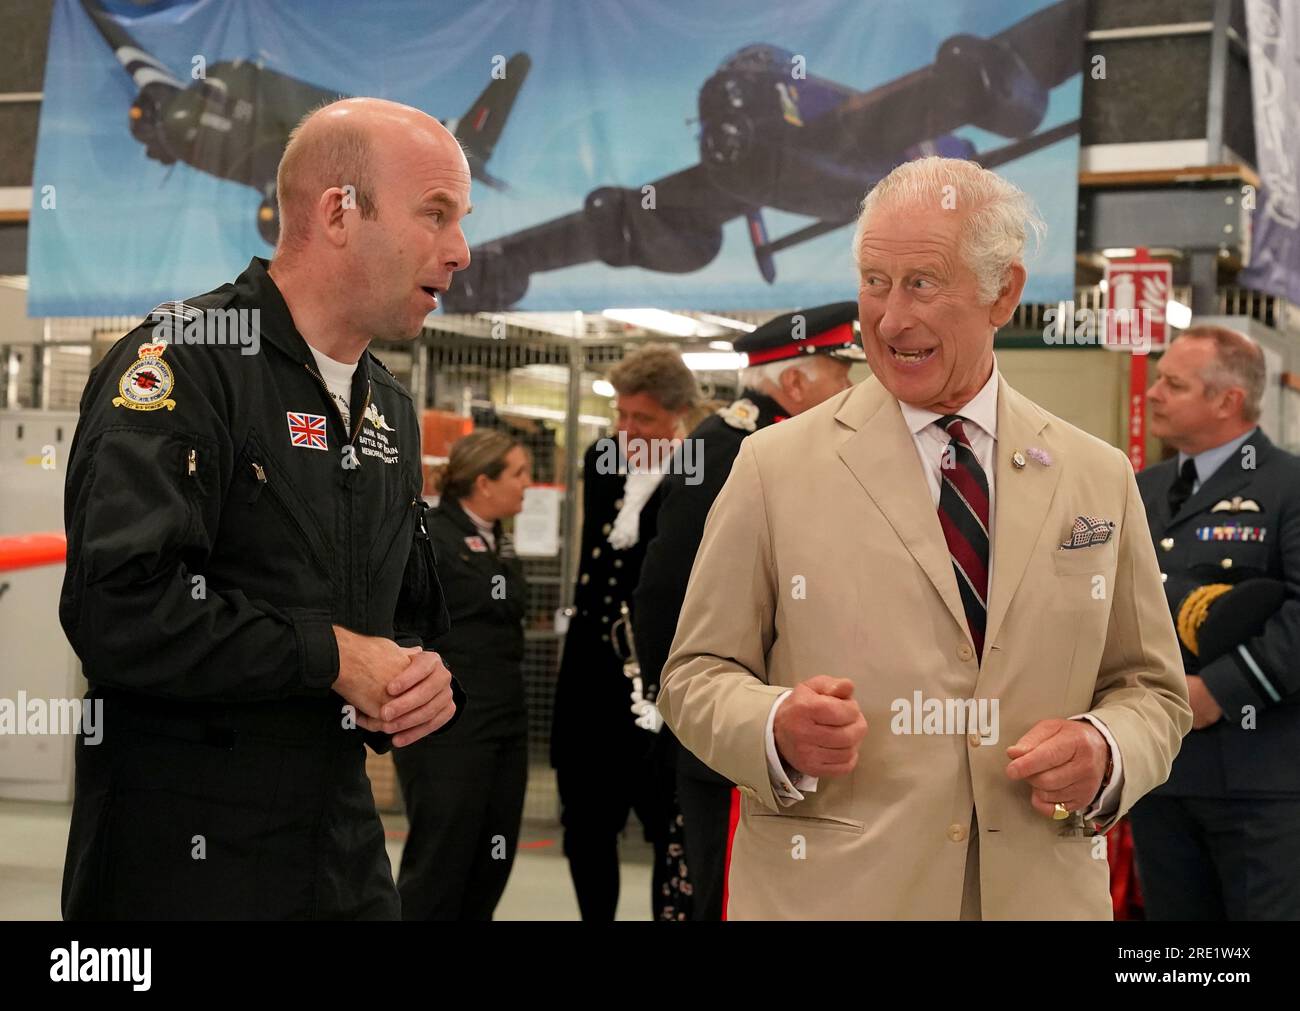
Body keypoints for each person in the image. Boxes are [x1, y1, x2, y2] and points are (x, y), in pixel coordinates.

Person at [657, 156, 1192, 920]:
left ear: (1003, 290)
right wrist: (773, 726)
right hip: (836, 896)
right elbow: (696, 672)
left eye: (922, 283)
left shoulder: (1096, 474)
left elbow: (1153, 690)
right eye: (875, 282)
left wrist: (1107, 749)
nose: (889, 319)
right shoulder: (772, 466)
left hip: (1039, 896)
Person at [58, 97, 470, 920]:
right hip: (181, 867)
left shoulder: (387, 406)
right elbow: (117, 605)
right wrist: (329, 656)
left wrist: (414, 676)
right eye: (437, 215)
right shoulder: (184, 364)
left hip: (340, 858)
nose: (459, 252)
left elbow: (393, 617)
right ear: (339, 212)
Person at [633, 302, 858, 920]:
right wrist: (688, 706)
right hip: (737, 736)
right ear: (794, 384)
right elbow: (665, 588)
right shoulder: (735, 449)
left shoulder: (792, 446)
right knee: (729, 899)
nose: (850, 391)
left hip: (788, 732)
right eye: (840, 377)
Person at [1130, 325, 1300, 920]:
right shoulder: (1140, 489)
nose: (1153, 394)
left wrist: (1216, 693)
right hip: (1161, 771)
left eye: (1173, 384)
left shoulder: (1288, 486)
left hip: (1260, 777)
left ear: (1227, 401)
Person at [550, 344, 698, 920]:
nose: (626, 429)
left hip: (660, 668)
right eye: (621, 414)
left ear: (677, 413)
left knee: (666, 820)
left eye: (643, 419)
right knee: (585, 817)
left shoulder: (697, 472)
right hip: (591, 665)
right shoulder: (604, 459)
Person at [393, 430, 532, 920]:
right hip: (450, 726)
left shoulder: (499, 538)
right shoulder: (432, 534)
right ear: (483, 482)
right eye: (517, 473)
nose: (527, 485)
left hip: (504, 722)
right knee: (441, 861)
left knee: (491, 859)